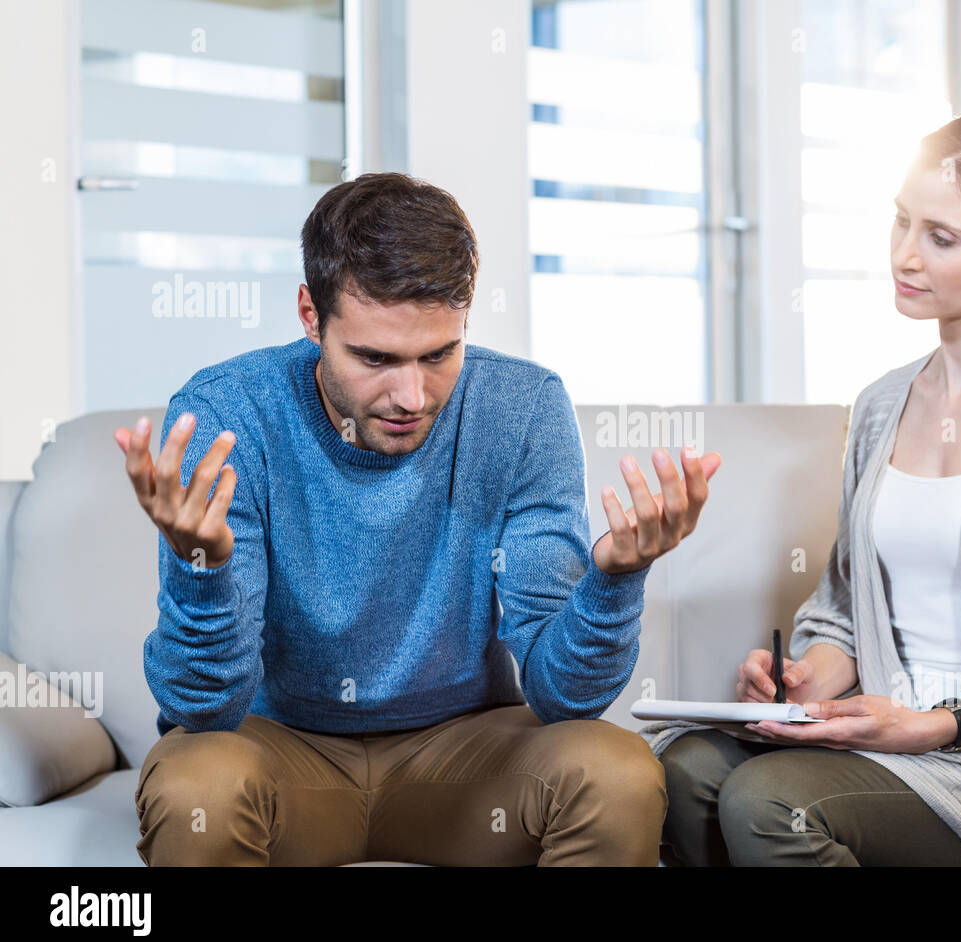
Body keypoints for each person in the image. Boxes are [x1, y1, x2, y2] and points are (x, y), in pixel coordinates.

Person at [119, 172, 721, 866]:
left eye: (439, 355)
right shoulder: (229, 414)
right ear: (310, 316)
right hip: (281, 752)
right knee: (197, 786)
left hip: (462, 762)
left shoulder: (523, 408)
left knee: (614, 771)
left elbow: (563, 697)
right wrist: (205, 571)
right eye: (375, 358)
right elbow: (206, 711)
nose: (411, 395)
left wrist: (615, 578)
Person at [654, 111, 961, 867]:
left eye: (941, 238)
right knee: (686, 770)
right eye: (900, 222)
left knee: (766, 804)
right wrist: (805, 678)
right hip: (888, 732)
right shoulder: (882, 405)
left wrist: (925, 725)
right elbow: (849, 609)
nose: (905, 256)